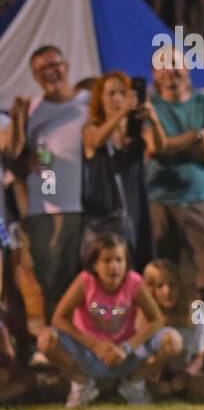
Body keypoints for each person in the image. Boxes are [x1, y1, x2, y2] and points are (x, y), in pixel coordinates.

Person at [148, 45, 204, 369]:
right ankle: (170, 350)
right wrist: (191, 140)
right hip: (159, 202)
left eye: (177, 65)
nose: (171, 72)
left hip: (201, 199)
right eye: (164, 66)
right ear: (155, 74)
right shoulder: (150, 106)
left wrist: (171, 144)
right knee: (165, 280)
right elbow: (154, 147)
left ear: (189, 69)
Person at [37, 233, 180, 408]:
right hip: (89, 355)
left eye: (119, 260)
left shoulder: (134, 282)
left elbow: (156, 319)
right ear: (95, 265)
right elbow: (59, 318)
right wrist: (94, 345)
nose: (114, 267)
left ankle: (134, 384)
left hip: (125, 356)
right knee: (46, 338)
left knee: (172, 340)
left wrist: (127, 347)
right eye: (107, 261)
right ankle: (82, 384)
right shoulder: (85, 281)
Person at [4, 46, 91, 325]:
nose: (50, 72)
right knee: (51, 283)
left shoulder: (90, 102)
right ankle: (60, 346)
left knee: (90, 279)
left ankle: (91, 344)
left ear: (66, 66)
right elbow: (12, 155)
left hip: (90, 206)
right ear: (34, 76)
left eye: (54, 65)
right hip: (44, 210)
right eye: (41, 70)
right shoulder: (31, 109)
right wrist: (19, 121)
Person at [81, 72, 164, 271]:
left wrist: (153, 119)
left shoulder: (134, 132)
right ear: (100, 99)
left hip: (135, 209)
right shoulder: (92, 128)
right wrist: (121, 114)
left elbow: (160, 148)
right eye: (111, 94)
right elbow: (97, 141)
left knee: (138, 267)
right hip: (105, 216)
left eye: (122, 93)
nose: (117, 98)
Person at [140, 259, 204, 400]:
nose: (167, 291)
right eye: (160, 286)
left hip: (183, 371)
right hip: (153, 371)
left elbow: (200, 354)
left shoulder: (195, 311)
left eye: (172, 285)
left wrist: (185, 376)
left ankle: (172, 390)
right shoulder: (143, 314)